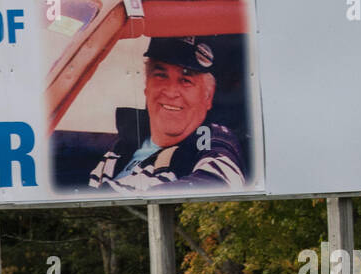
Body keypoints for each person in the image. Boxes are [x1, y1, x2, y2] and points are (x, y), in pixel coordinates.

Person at [89, 36, 246, 193]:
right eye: (161, 75)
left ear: (208, 97)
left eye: (186, 80)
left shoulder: (207, 138)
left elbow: (220, 186)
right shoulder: (124, 145)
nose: (171, 93)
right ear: (146, 86)